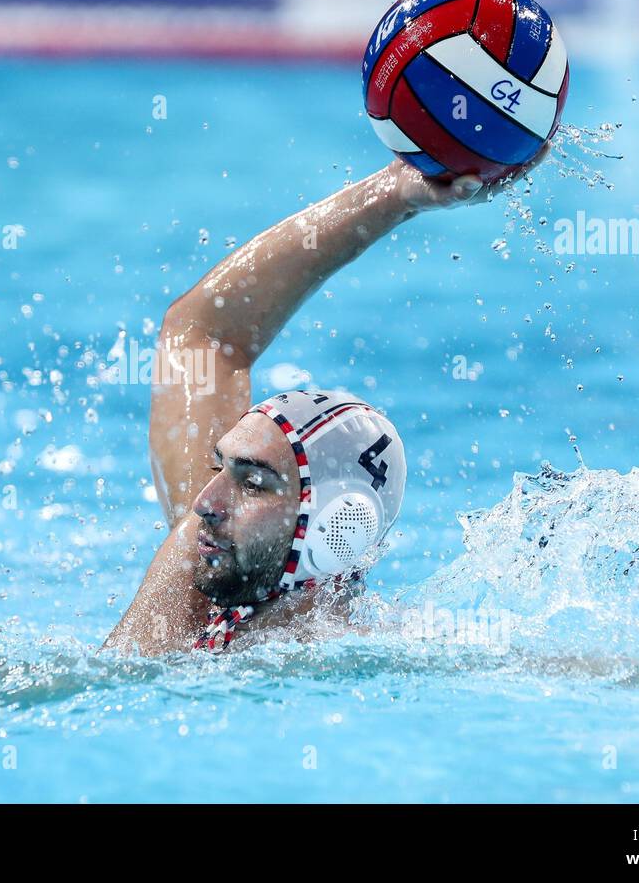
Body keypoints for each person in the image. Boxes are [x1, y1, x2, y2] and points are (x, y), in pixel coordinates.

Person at [103, 148, 549, 655]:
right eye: (219, 468)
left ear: (337, 525)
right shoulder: (211, 563)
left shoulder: (391, 661)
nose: (205, 503)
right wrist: (396, 193)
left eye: (252, 482)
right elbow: (203, 333)